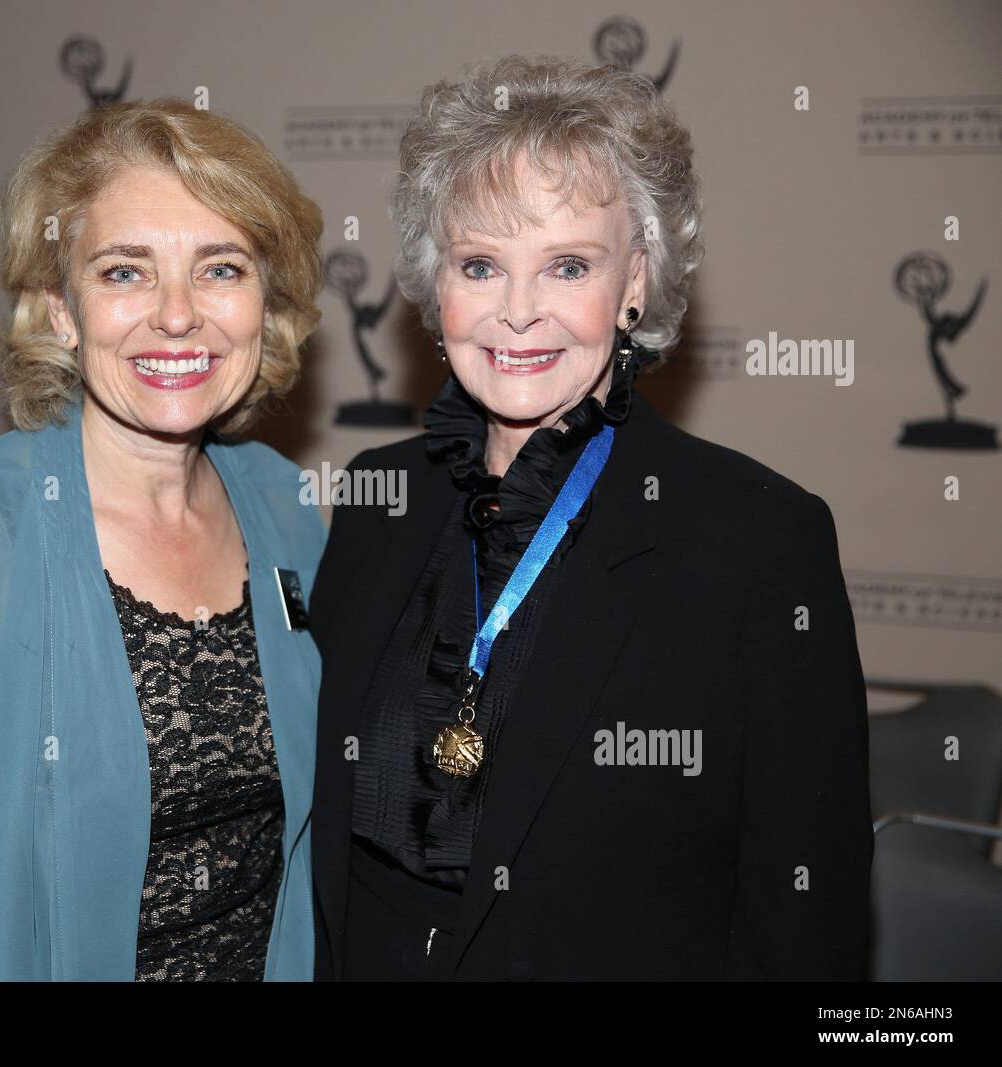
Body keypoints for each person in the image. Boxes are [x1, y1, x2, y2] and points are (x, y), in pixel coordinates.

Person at [308, 55, 873, 981]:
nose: (518, 313)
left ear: (636, 283)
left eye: (568, 264)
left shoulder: (760, 541)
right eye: (480, 264)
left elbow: (806, 922)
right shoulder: (377, 500)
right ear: (434, 284)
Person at [0, 99, 326, 981]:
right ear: (59, 309)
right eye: (125, 272)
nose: (176, 316)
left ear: (264, 302)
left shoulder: (287, 509)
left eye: (220, 268)